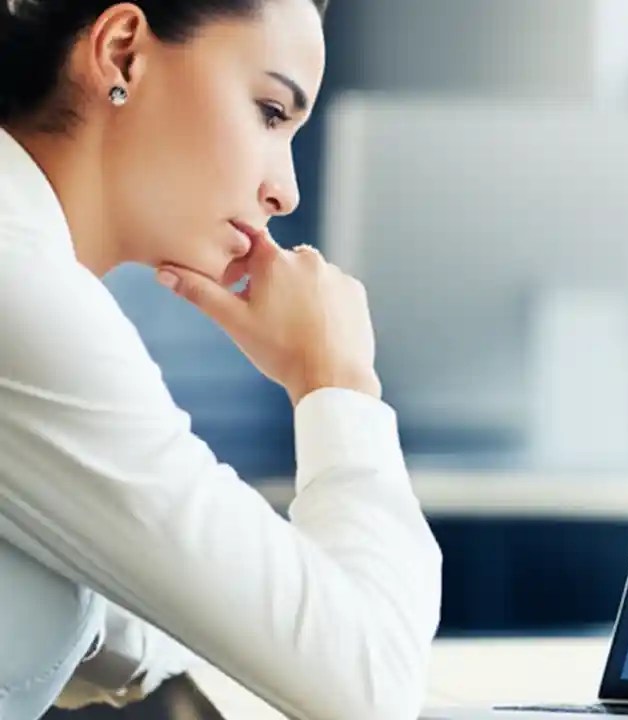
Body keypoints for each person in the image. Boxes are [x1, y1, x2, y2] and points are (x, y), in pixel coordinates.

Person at [0, 1, 442, 719]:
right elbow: (369, 688)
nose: (285, 190)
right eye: (270, 111)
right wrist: (335, 380)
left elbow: (124, 628)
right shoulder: (18, 284)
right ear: (122, 54)